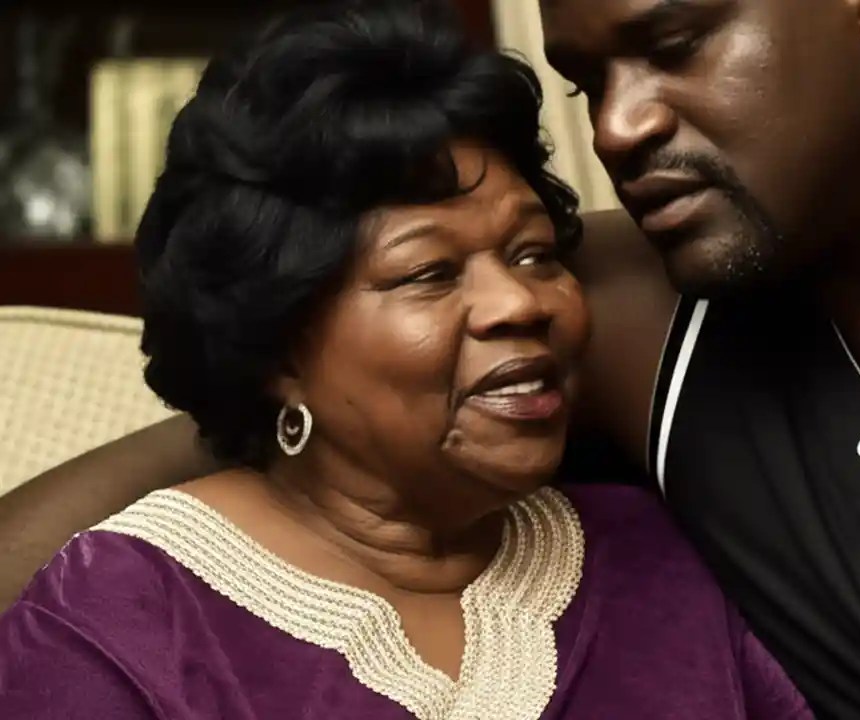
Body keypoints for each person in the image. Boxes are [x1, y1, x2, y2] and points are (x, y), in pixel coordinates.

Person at [1, 0, 860, 716]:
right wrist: (260, 428)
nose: (616, 126)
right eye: (585, 75)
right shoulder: (635, 312)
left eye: (673, 45)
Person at [0, 2, 814, 718]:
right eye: (430, 272)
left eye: (533, 254)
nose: (521, 303)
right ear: (279, 343)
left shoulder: (657, 552)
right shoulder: (115, 621)